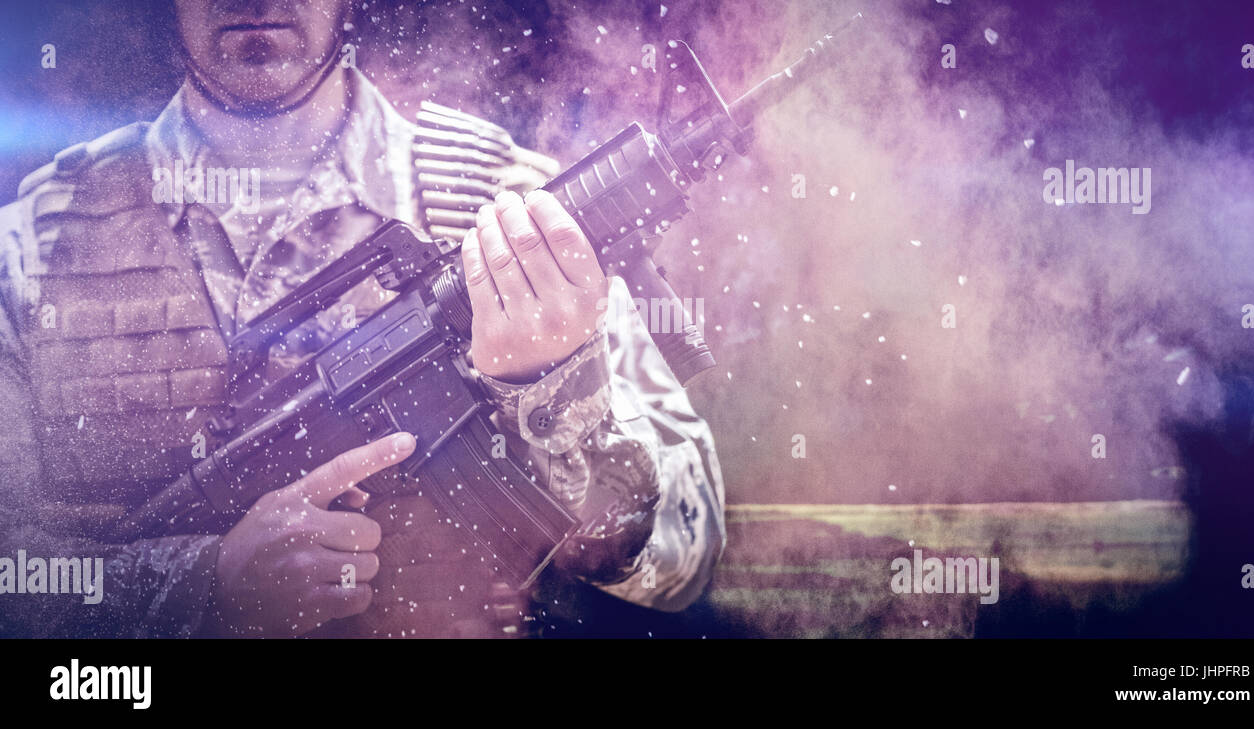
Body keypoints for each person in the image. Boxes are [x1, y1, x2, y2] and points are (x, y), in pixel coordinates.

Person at [0, 0, 724, 638]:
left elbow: (685, 554)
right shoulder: (33, 246)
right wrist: (199, 590)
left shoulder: (514, 212)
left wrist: (560, 395)